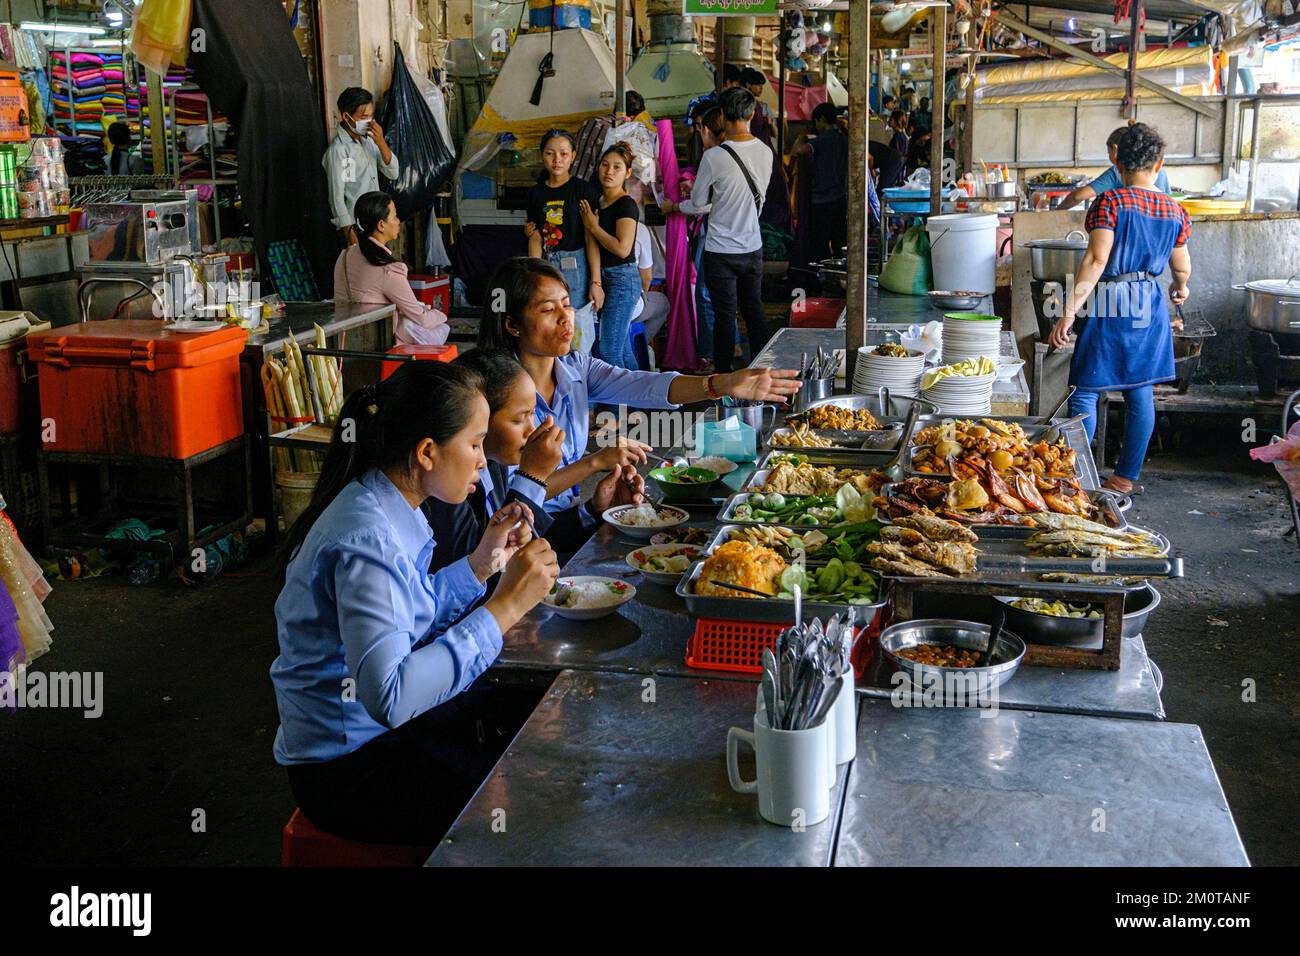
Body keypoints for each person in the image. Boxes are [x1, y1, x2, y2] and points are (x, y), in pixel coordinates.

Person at [270, 361, 560, 844]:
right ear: (427, 451)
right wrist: (504, 608)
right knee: (523, 803)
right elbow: (392, 696)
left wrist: (480, 566)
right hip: (348, 768)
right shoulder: (367, 537)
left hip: (376, 737)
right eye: (473, 444)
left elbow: (410, 613)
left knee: (523, 720)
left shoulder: (387, 502)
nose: (483, 461)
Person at [477, 257, 801, 553]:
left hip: (571, 525)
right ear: (512, 324)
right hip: (511, 541)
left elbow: (645, 385)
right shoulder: (496, 396)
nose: (565, 318)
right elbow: (511, 494)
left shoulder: (576, 368)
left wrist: (720, 383)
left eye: (567, 304)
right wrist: (594, 462)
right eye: (548, 310)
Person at [1048, 123, 1191, 495]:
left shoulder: (1109, 202)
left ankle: (1074, 476)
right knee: (1139, 391)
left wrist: (1068, 311)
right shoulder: (1175, 210)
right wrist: (1180, 289)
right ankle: (1124, 477)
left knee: (1086, 390)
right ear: (1158, 164)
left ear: (1117, 161)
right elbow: (1181, 267)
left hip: (1112, 300)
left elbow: (1096, 259)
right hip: (1149, 302)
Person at [659, 87, 774, 373]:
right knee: (753, 310)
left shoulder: (713, 157)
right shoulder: (766, 152)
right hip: (752, 247)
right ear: (751, 114)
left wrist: (675, 207)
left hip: (720, 250)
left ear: (722, 116)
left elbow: (698, 204)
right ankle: (762, 370)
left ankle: (723, 378)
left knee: (724, 315)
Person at [425, 350, 566, 577]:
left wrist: (592, 511)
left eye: (533, 415)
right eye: (520, 419)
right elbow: (478, 575)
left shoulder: (494, 463)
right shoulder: (448, 482)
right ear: (479, 416)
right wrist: (532, 476)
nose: (531, 431)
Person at [334, 191, 449, 346]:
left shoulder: (345, 256)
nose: (398, 221)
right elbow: (421, 318)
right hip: (378, 345)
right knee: (436, 326)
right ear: (381, 225)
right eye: (394, 216)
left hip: (344, 341)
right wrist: (441, 315)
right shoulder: (389, 270)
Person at [524, 129, 602, 353]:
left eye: (563, 154)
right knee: (548, 323)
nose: (557, 160)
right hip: (546, 264)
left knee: (575, 329)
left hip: (576, 266)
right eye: (550, 153)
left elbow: (591, 239)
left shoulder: (583, 191)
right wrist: (534, 277)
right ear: (542, 156)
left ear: (573, 156)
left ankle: (579, 380)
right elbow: (535, 237)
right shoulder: (534, 194)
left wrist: (595, 283)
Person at [579, 142, 642, 370]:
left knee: (609, 350)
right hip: (605, 277)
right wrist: (596, 281)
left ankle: (620, 406)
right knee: (621, 349)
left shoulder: (626, 205)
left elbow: (622, 249)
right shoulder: (599, 202)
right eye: (605, 165)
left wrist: (594, 227)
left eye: (617, 167)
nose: (609, 172)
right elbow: (591, 243)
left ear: (627, 173)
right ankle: (639, 400)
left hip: (623, 279)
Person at [323, 87, 397, 245]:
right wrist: (350, 233)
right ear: (346, 116)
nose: (369, 121)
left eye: (371, 116)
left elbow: (393, 173)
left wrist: (381, 143)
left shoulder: (369, 141)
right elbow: (336, 198)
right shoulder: (339, 151)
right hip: (356, 226)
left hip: (375, 222)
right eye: (364, 116)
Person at [792, 103, 852, 262]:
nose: (816, 126)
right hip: (840, 197)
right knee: (839, 240)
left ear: (822, 119)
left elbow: (797, 151)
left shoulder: (823, 139)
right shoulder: (844, 138)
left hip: (822, 199)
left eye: (816, 122)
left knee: (820, 242)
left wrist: (801, 138)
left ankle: (820, 277)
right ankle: (839, 275)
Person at [1059, 125, 1171, 210]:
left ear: (1116, 150)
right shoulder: (1159, 171)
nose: (1109, 157)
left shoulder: (1115, 176)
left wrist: (1056, 211)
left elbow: (1078, 196)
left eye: (1109, 153)